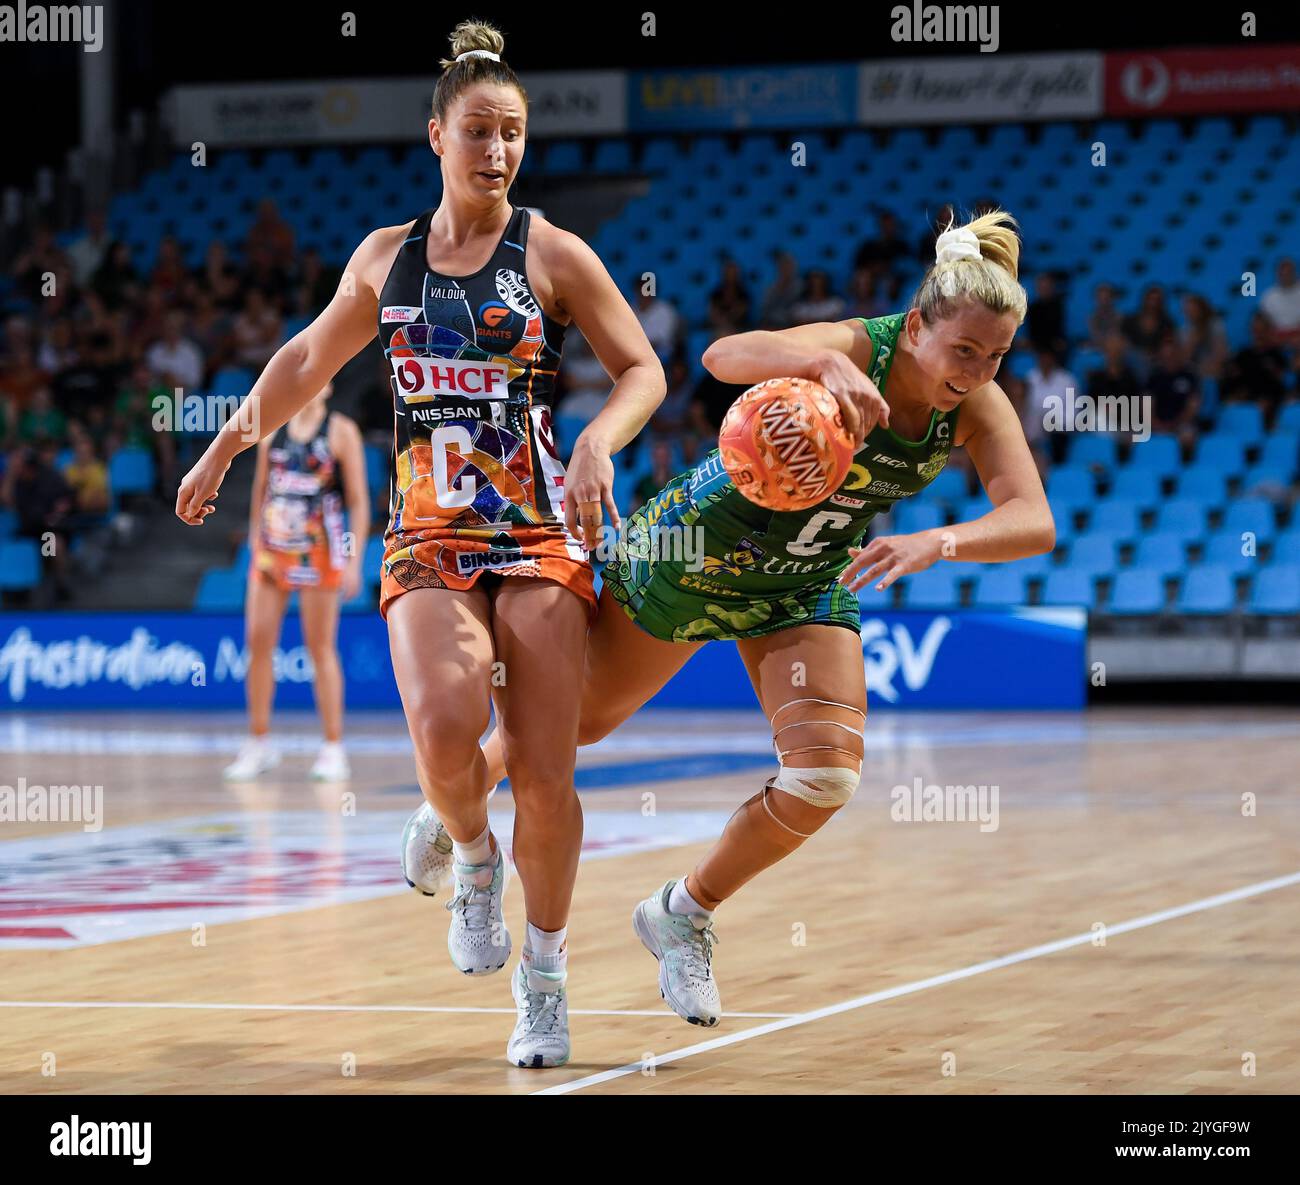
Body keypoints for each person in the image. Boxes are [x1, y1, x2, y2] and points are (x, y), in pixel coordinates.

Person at [407, 209, 1053, 1029]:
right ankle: (456, 806)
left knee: (826, 776)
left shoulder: (975, 407)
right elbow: (720, 357)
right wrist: (821, 359)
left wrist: (941, 540)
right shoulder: (861, 345)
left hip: (804, 578)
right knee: (571, 726)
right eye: (965, 350)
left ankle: (683, 911)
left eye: (994, 356)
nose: (977, 370)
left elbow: (1034, 518)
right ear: (919, 324)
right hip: (700, 547)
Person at [176, 20, 664, 1069]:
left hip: (537, 532)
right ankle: (474, 858)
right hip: (429, 537)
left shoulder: (556, 255)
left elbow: (644, 372)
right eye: (479, 130)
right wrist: (224, 446)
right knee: (446, 739)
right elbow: (306, 359)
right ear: (436, 134)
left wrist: (597, 443)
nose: (497, 150)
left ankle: (542, 979)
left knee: (543, 767)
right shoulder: (384, 259)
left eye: (514, 134)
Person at [223, 384, 368, 783]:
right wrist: (255, 542)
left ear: (330, 387)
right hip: (273, 550)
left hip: (319, 551)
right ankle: (259, 742)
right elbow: (260, 492)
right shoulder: (272, 429)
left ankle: (333, 747)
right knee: (257, 643)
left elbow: (357, 500)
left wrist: (354, 559)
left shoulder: (340, 431)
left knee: (320, 648)